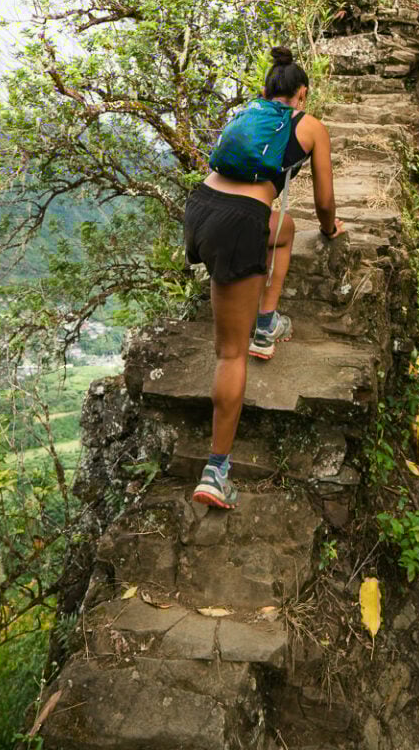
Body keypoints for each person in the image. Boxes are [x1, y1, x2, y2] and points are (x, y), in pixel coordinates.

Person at [183, 46, 344, 510]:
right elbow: (326, 202)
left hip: (201, 209)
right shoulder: (308, 124)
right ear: (302, 94)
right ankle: (216, 470)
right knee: (230, 355)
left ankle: (266, 320)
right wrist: (332, 230)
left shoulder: (245, 113)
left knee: (285, 230)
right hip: (239, 223)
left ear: (264, 90)